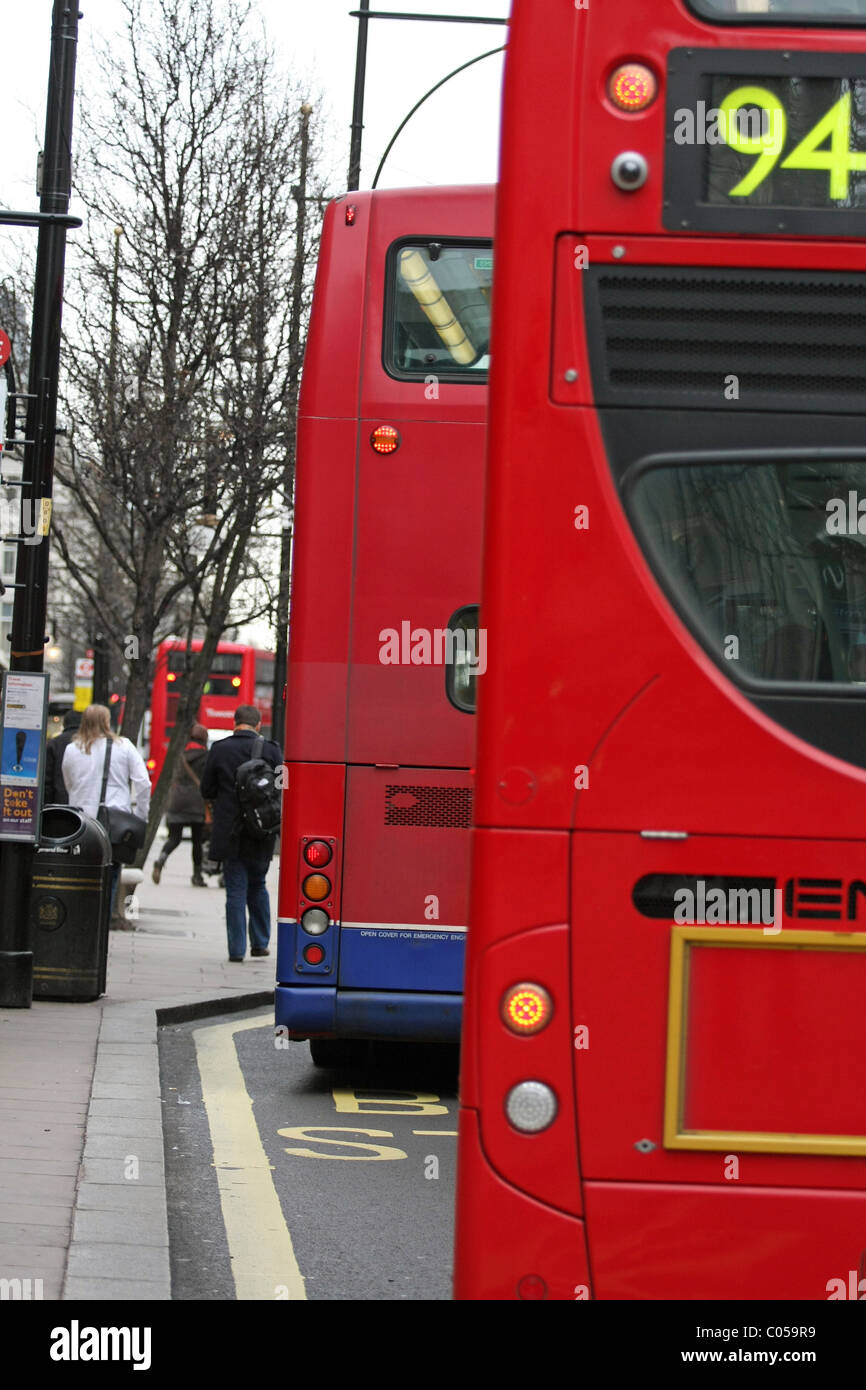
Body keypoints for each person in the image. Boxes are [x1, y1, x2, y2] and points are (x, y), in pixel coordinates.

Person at [200, 704, 281, 962]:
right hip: (262, 830)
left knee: (235, 890)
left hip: (230, 831)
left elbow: (206, 789)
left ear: (235, 722)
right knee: (258, 884)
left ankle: (236, 950)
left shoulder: (220, 749)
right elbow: (284, 785)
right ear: (258, 725)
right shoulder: (271, 749)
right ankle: (260, 942)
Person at [61, 703, 151, 929]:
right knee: (110, 871)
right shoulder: (124, 747)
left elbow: (68, 782)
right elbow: (143, 783)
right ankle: (105, 917)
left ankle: (82, 917)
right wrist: (140, 814)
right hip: (114, 822)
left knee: (82, 872)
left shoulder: (72, 749)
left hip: (80, 822)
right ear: (107, 722)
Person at [151, 723, 210, 887]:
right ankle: (197, 876)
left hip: (177, 800)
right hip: (197, 802)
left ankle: (161, 860)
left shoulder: (179, 754)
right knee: (197, 841)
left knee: (174, 838)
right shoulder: (206, 756)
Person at [42, 709, 82, 804]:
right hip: (80, 800)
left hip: (58, 801)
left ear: (64, 724)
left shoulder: (54, 743)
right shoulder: (88, 743)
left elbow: (47, 778)